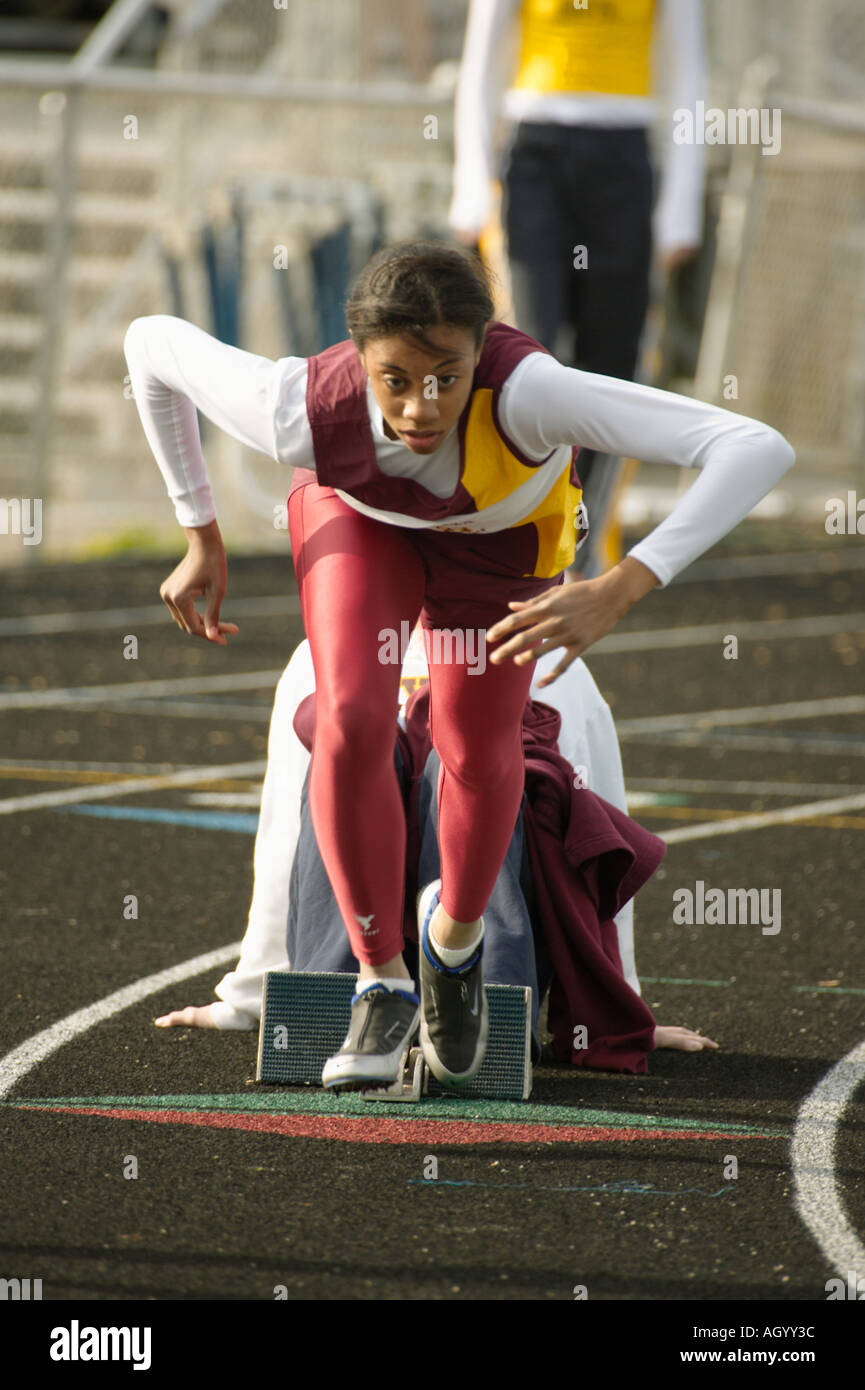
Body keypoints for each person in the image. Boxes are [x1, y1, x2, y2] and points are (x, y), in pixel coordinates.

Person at [125, 239, 793, 1091]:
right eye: (394, 378)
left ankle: (453, 949)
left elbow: (753, 446)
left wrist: (621, 586)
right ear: (360, 359)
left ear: (482, 348)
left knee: (474, 751)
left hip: (498, 545)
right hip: (360, 523)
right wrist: (198, 532)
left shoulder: (534, 395)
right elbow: (150, 343)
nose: (419, 406)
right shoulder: (295, 405)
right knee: (349, 716)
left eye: (446, 375)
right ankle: (379, 981)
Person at [153, 631, 718, 1060]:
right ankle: (340, 999)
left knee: (482, 769)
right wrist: (252, 998)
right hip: (371, 937)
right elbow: (287, 833)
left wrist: (623, 1009)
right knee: (357, 763)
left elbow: (598, 851)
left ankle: (470, 999)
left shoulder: (558, 666)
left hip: (481, 927)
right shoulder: (323, 651)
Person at [449, 0, 707, 574]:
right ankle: (518, 530)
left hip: (625, 157)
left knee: (613, 365)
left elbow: (689, 70)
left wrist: (681, 205)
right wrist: (470, 180)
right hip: (534, 157)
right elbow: (481, 63)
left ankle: (583, 540)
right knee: (529, 355)